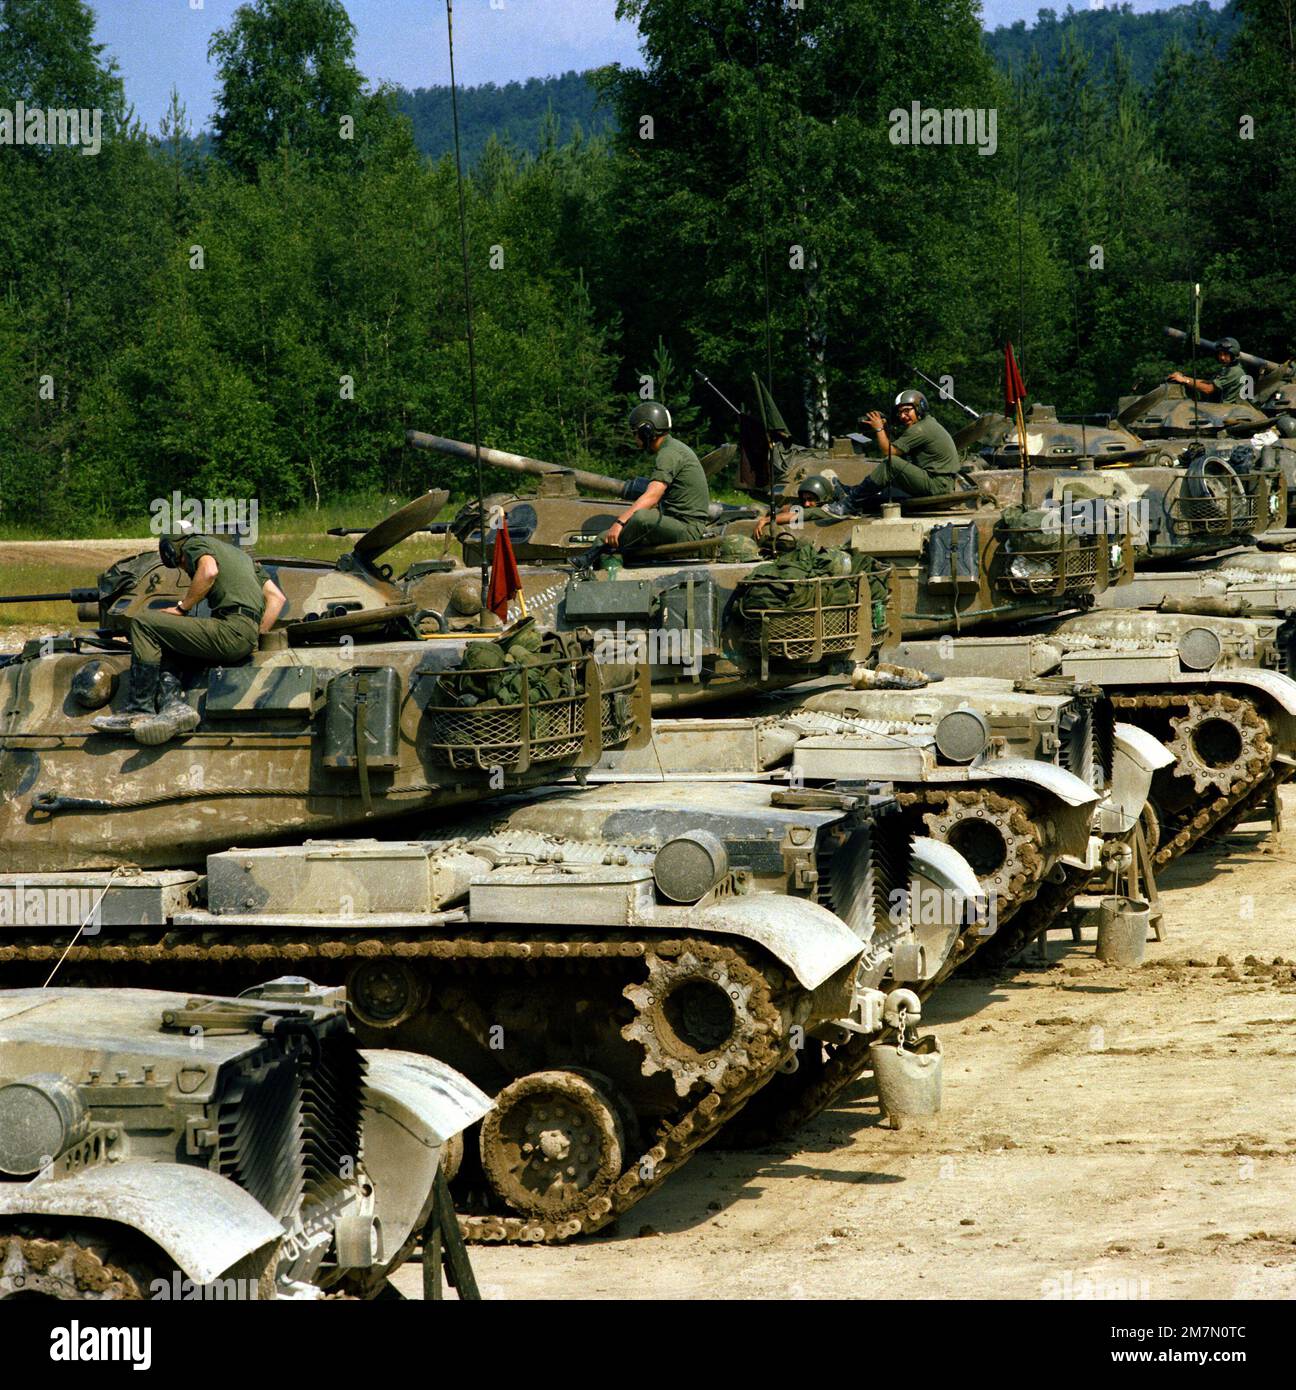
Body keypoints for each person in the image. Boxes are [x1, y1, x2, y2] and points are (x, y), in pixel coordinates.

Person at [94, 527, 286, 744]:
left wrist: (182, 608)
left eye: (181, 562)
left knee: (143, 622)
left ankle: (139, 709)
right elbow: (277, 598)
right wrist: (254, 636)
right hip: (244, 636)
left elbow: (209, 571)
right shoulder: (244, 558)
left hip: (229, 629)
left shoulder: (193, 544)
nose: (184, 568)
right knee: (172, 637)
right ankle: (173, 706)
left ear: (174, 547)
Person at [603, 401, 710, 554]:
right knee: (608, 535)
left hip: (687, 529)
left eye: (635, 433)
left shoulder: (668, 454)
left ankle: (605, 559)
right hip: (678, 523)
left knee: (640, 519)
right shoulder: (672, 448)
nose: (635, 439)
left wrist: (620, 522)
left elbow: (653, 496)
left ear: (646, 431)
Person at [850, 390, 965, 503]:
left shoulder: (920, 429)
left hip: (937, 484)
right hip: (942, 483)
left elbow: (888, 452)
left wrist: (879, 429)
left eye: (907, 411)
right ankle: (854, 492)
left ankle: (850, 502)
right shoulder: (928, 423)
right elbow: (900, 451)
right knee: (892, 471)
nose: (903, 416)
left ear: (919, 408)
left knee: (891, 463)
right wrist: (884, 428)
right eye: (900, 413)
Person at [753, 474, 849, 540]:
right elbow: (790, 507)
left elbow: (800, 514)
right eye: (804, 500)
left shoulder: (827, 509)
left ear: (823, 498)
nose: (806, 504)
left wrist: (765, 520)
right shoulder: (812, 504)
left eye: (811, 499)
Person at [1169, 337, 1249, 404]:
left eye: (1226, 354)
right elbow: (1208, 383)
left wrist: (1185, 380)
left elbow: (1208, 388)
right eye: (1220, 354)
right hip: (1225, 411)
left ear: (1233, 354)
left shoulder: (1234, 371)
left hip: (1230, 414)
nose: (1222, 358)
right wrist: (1183, 378)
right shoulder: (1227, 369)